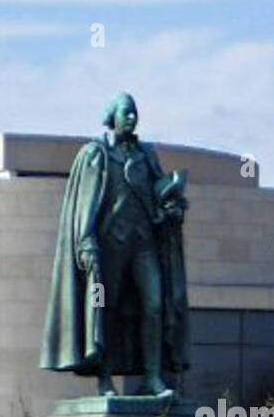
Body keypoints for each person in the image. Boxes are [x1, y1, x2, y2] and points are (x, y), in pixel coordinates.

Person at [40, 91, 190, 398]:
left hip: (143, 244)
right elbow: (85, 204)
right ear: (113, 117)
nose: (132, 118)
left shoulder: (146, 156)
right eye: (126, 112)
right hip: (109, 247)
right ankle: (105, 379)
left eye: (135, 112)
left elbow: (158, 198)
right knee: (105, 307)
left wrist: (173, 207)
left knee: (154, 304)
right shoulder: (97, 154)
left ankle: (153, 377)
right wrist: (85, 242)